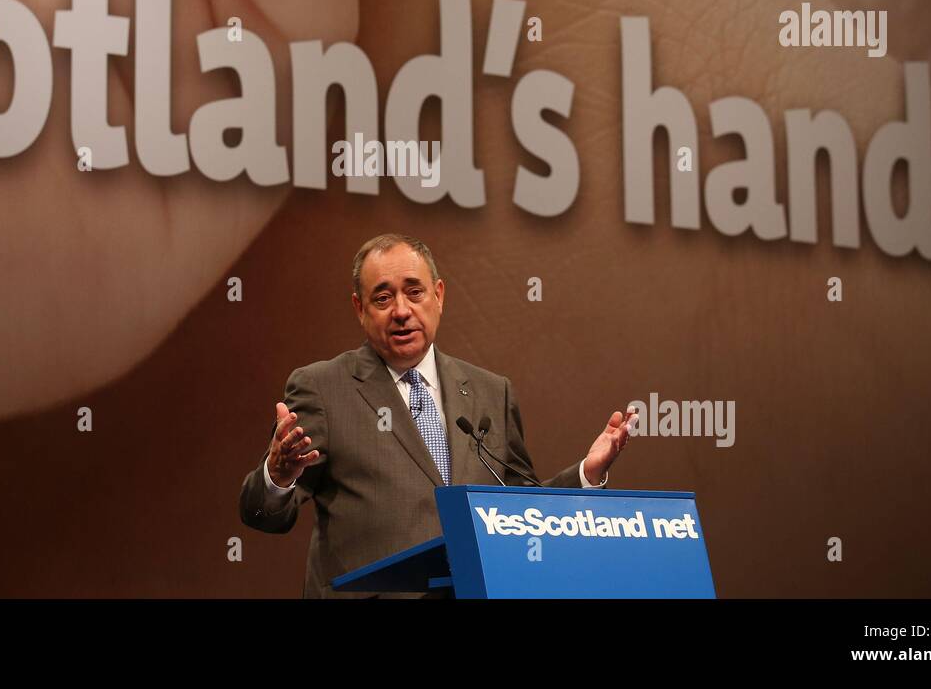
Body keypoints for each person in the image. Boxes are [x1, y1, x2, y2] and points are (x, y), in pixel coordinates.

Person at [238, 233, 636, 598]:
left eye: (415, 292)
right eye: (382, 298)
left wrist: (587, 474)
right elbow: (263, 514)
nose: (401, 311)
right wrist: (277, 476)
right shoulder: (323, 388)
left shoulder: (490, 392)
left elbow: (524, 514)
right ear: (359, 308)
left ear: (439, 295)